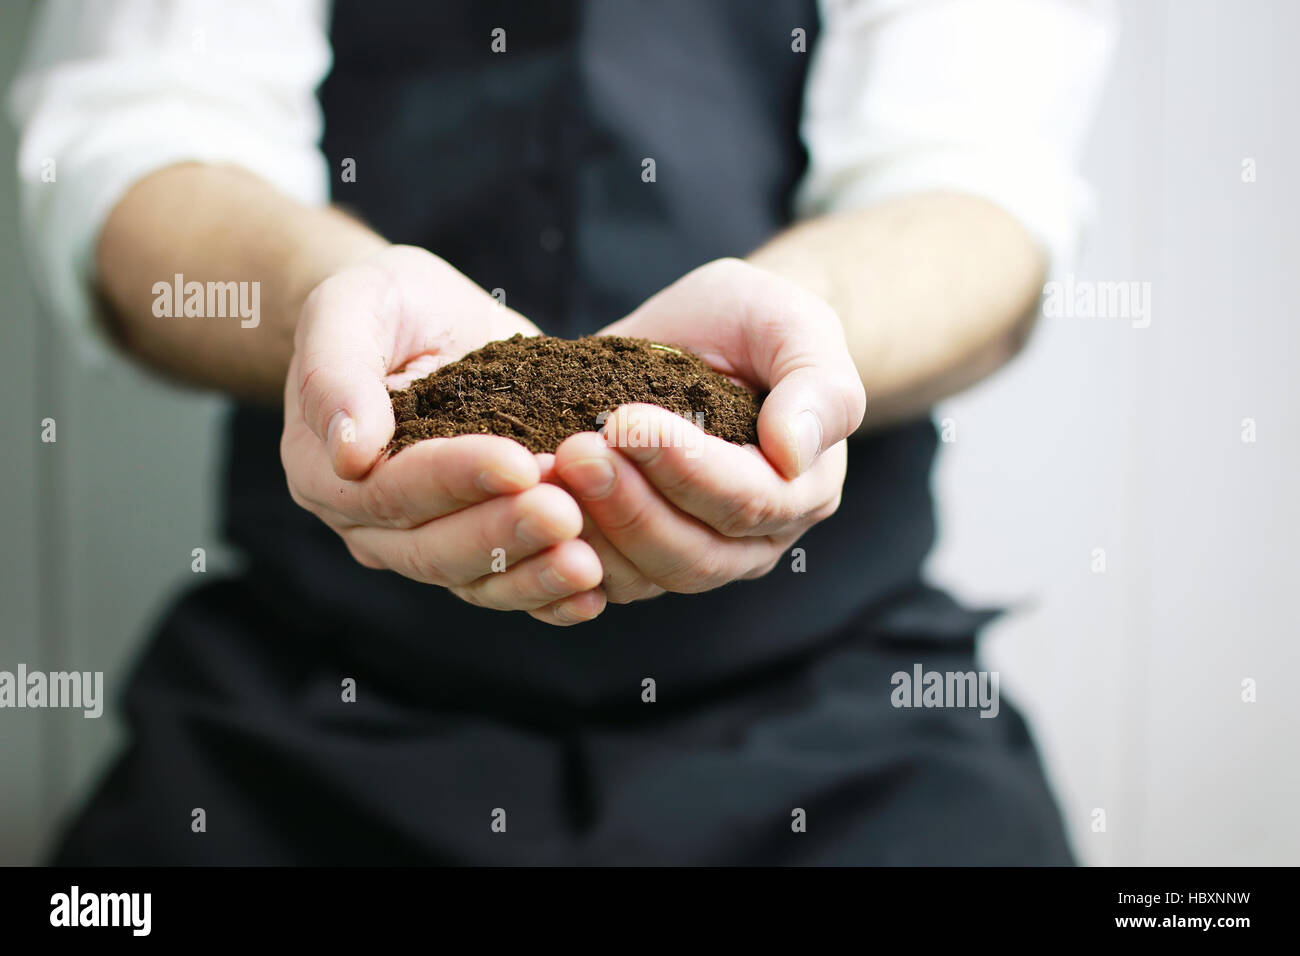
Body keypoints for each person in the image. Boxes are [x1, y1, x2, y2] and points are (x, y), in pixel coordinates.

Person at [10, 0, 1113, 864]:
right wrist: (327, 304)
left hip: (840, 716)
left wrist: (803, 338)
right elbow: (141, 129)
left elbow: (975, 177)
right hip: (315, 711)